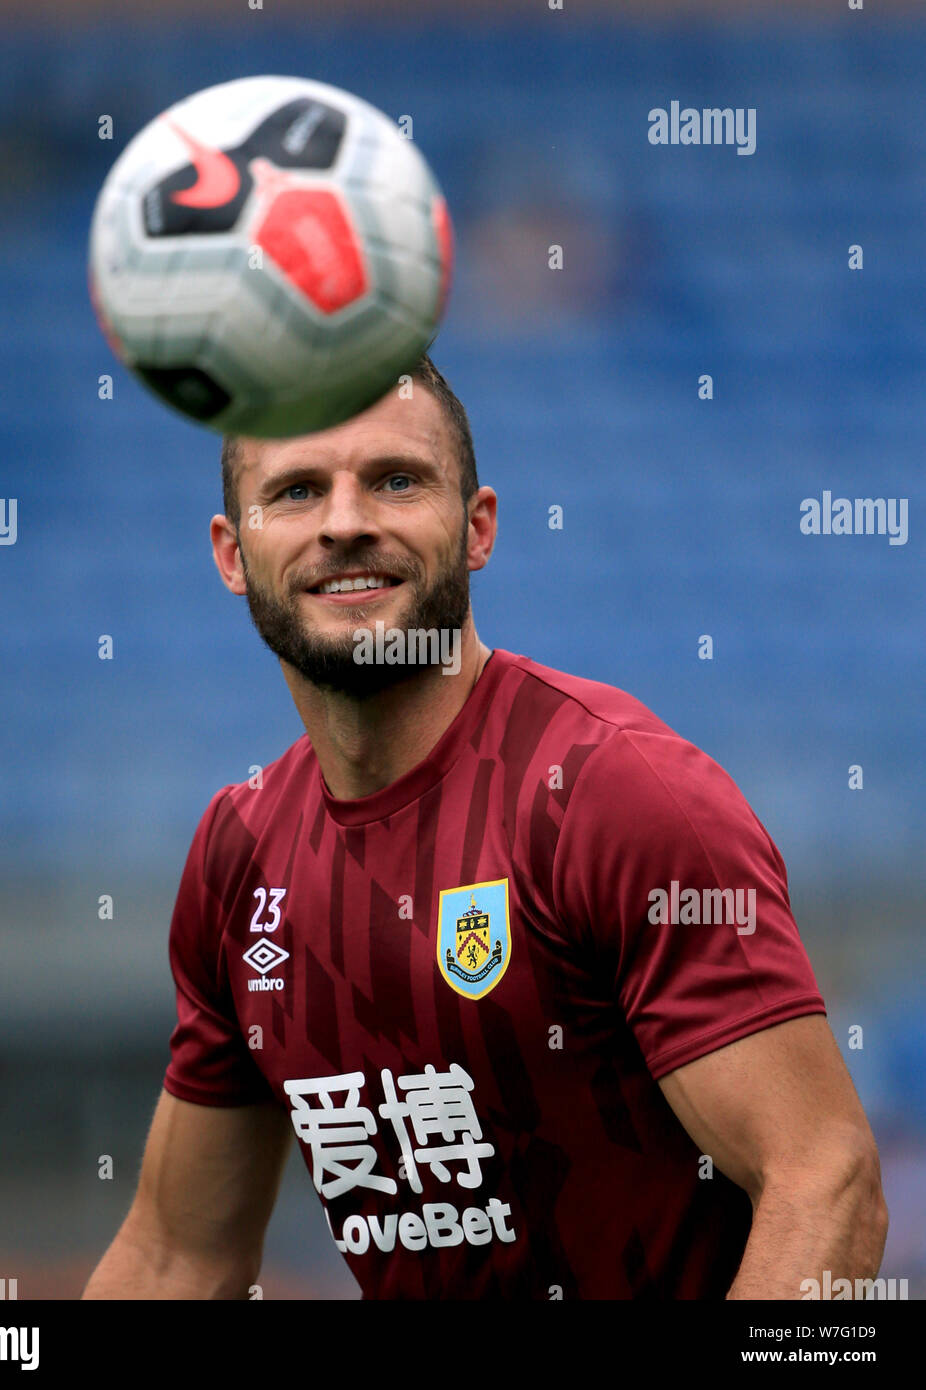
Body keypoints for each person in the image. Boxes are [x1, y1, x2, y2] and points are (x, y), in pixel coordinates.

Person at [83, 356, 887, 1300]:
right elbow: (179, 1255)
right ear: (231, 554)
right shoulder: (240, 854)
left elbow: (829, 1184)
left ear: (477, 528)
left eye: (395, 480)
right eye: (297, 491)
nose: (346, 522)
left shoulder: (612, 794)